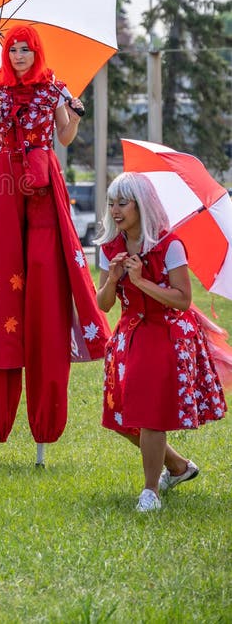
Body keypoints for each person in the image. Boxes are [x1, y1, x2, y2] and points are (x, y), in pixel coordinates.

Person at [0, 24, 111, 461]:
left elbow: (64, 137)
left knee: (46, 272)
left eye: (25, 49)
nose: (18, 55)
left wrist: (73, 112)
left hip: (45, 179)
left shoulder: (54, 88)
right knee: (5, 276)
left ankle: (44, 425)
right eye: (12, 49)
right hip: (6, 178)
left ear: (36, 53)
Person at [96, 172, 228, 512]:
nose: (114, 211)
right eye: (111, 204)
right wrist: (113, 280)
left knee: (150, 415)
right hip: (128, 336)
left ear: (142, 205)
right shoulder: (110, 248)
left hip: (165, 335)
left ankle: (150, 492)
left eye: (122, 203)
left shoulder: (170, 246)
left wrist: (140, 281)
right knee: (122, 419)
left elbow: (183, 300)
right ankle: (179, 466)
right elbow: (104, 304)